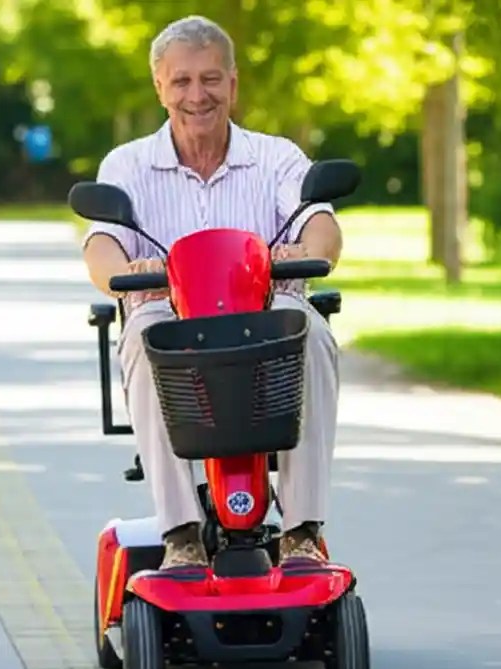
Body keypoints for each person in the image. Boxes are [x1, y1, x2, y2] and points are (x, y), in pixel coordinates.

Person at [80, 15, 342, 570]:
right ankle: (180, 535)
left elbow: (320, 224)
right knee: (145, 333)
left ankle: (301, 531)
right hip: (175, 329)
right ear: (160, 86)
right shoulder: (126, 165)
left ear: (232, 83)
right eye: (182, 81)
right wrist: (127, 271)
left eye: (211, 79)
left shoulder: (276, 157)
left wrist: (303, 251)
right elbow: (101, 246)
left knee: (311, 329)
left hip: (266, 328)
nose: (197, 95)